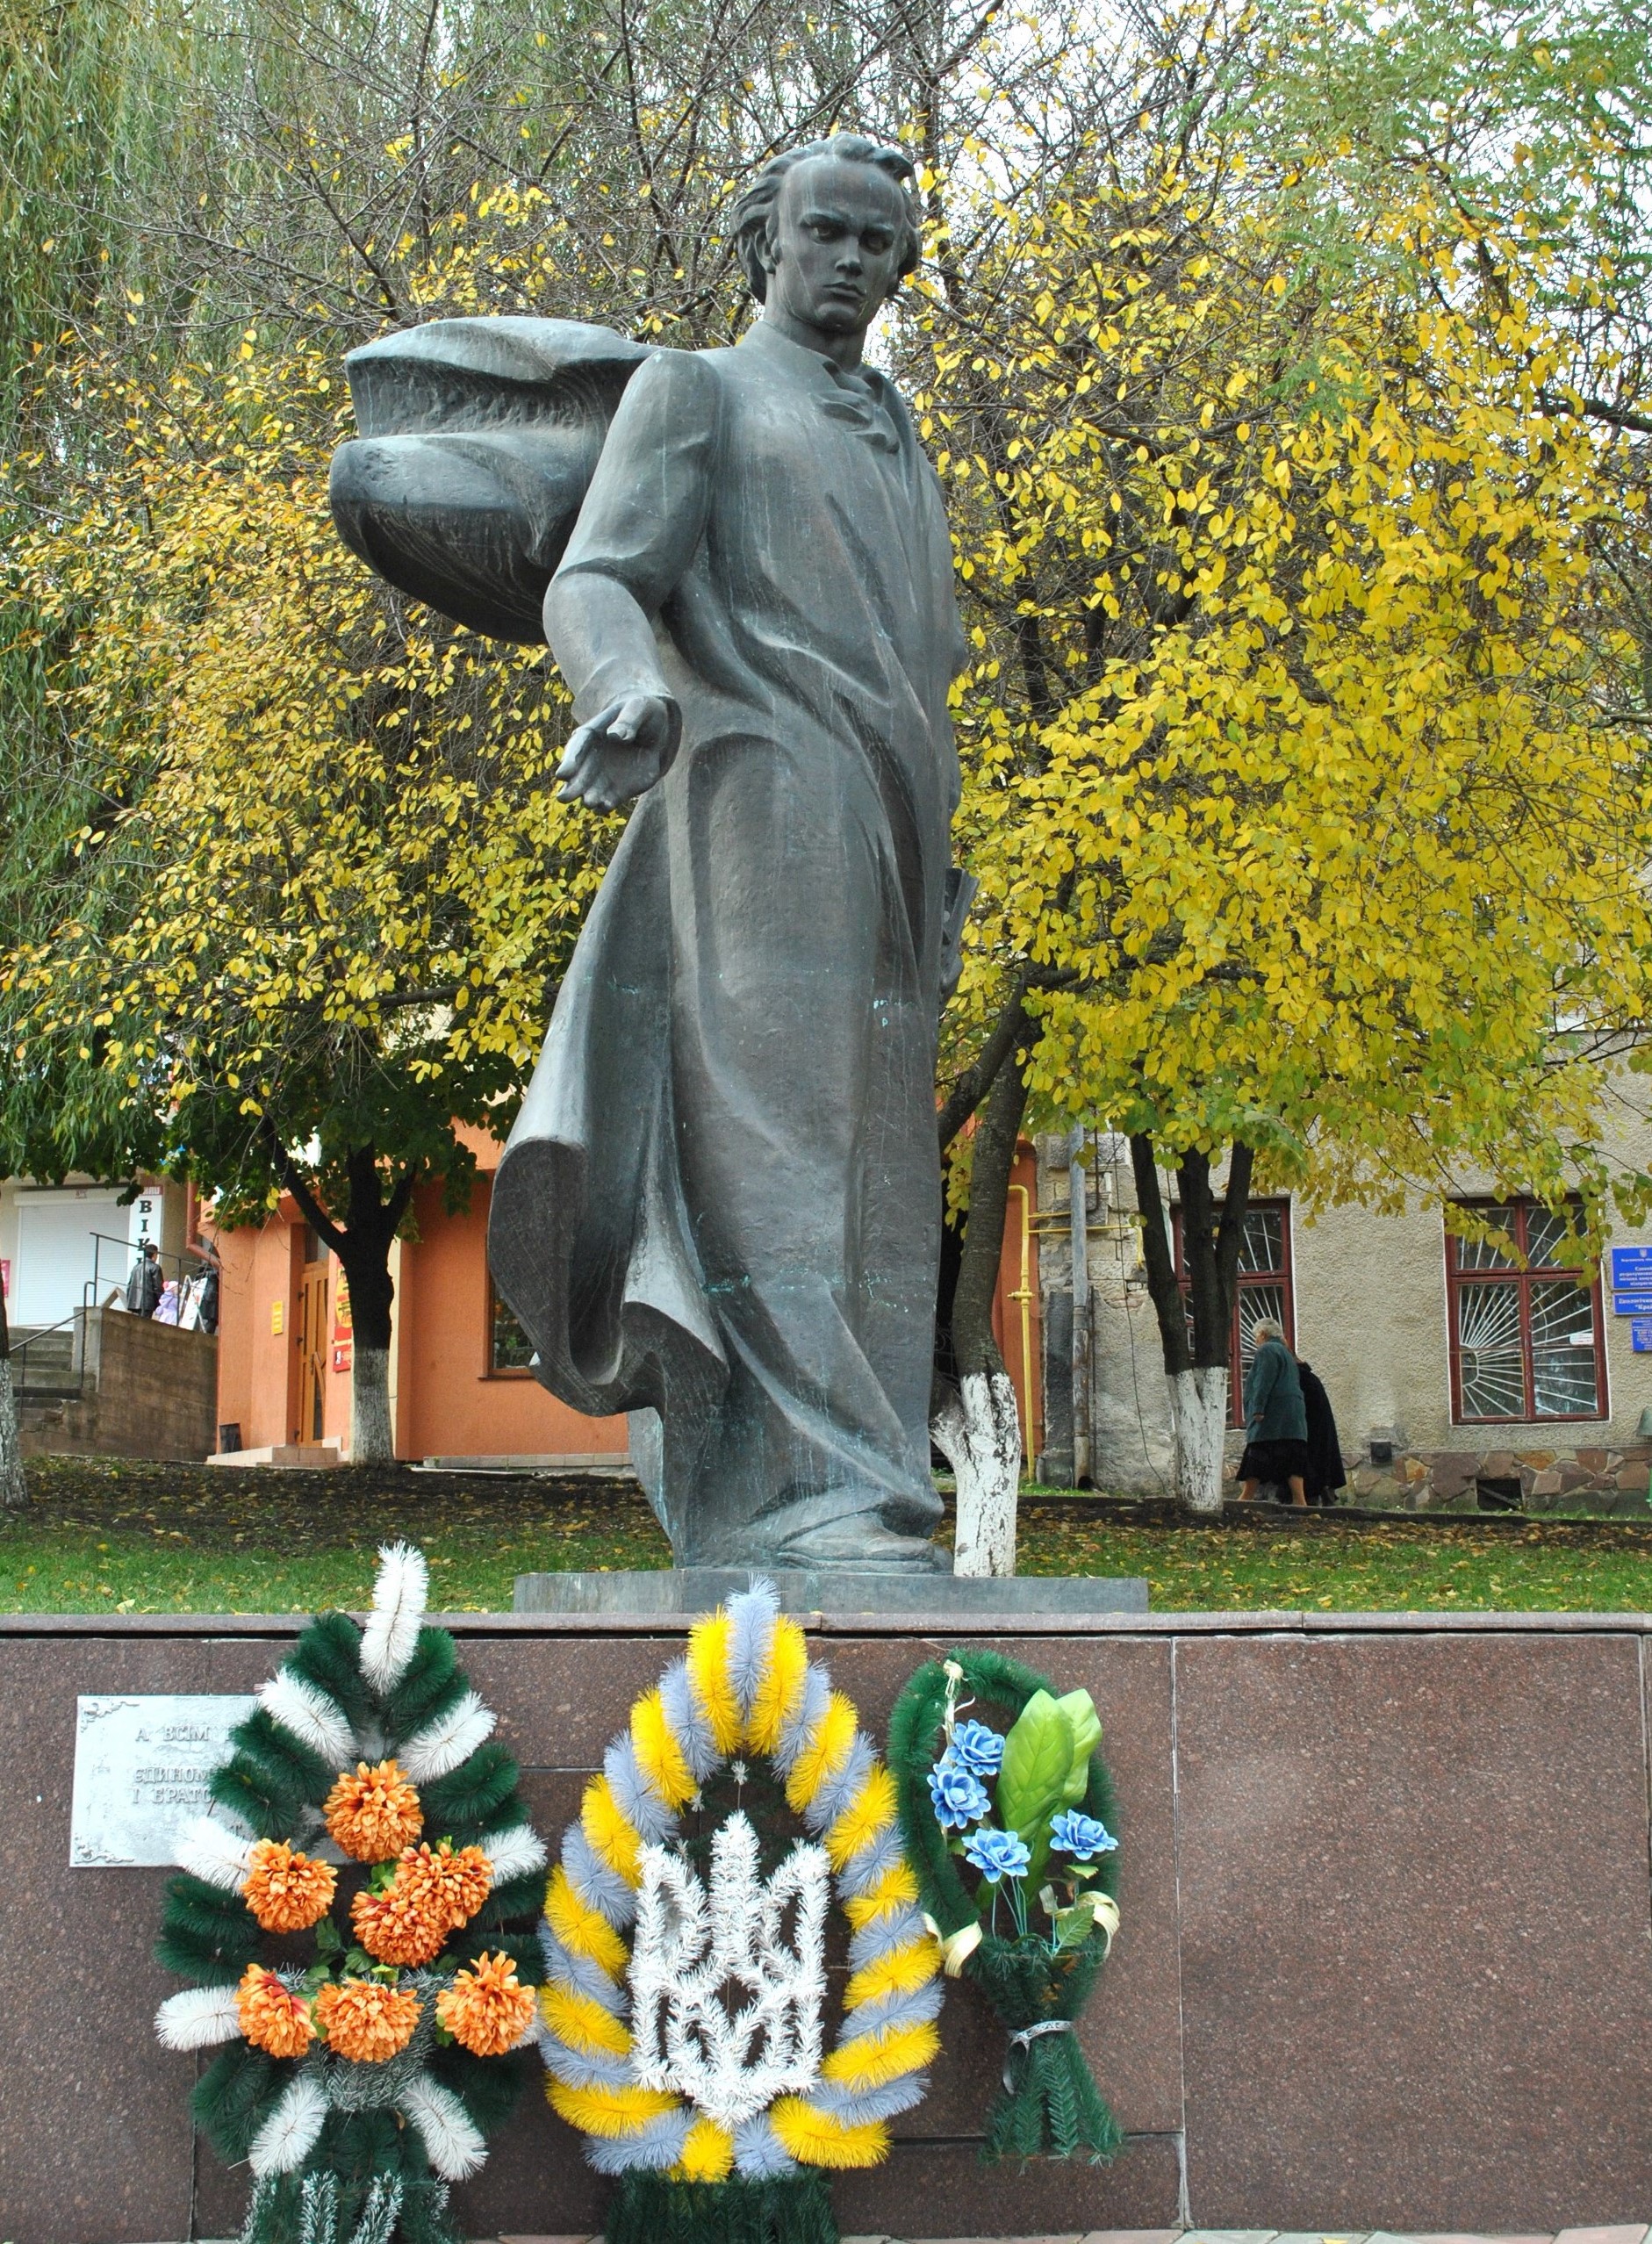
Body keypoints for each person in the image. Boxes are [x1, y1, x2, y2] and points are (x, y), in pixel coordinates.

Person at [478, 137, 965, 1571]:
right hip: (751, 792)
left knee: (881, 1177)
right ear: (766, 239)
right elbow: (596, 574)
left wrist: (941, 854)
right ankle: (801, 1497)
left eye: (880, 243)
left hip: (886, 834)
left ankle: (854, 1483)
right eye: (827, 231)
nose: (853, 263)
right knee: (773, 1146)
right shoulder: (694, 390)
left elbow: (922, 667)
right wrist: (619, 685)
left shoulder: (896, 426)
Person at [1238, 1318, 1309, 1506]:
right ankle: (1300, 1502)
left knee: (1257, 1456)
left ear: (1262, 1334)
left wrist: (1258, 1409)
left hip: (1272, 1418)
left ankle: (1245, 1500)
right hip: (1292, 1419)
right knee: (1292, 1459)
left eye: (1256, 1337)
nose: (1255, 1341)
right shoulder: (1286, 1352)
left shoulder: (1267, 1350)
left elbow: (1263, 1381)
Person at [1296, 1358, 1347, 1507]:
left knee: (1315, 1465)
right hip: (1320, 1433)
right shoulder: (1309, 1377)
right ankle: (1324, 1494)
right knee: (1323, 1465)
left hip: (1311, 1434)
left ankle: (1316, 1496)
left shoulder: (1300, 1379)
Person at [124, 1240, 164, 1319]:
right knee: (146, 1324)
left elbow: (129, 1285)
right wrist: (162, 1301)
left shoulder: (136, 1267)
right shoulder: (155, 1267)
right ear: (154, 1254)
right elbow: (158, 1287)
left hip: (134, 1302)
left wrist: (129, 1300)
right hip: (148, 1302)